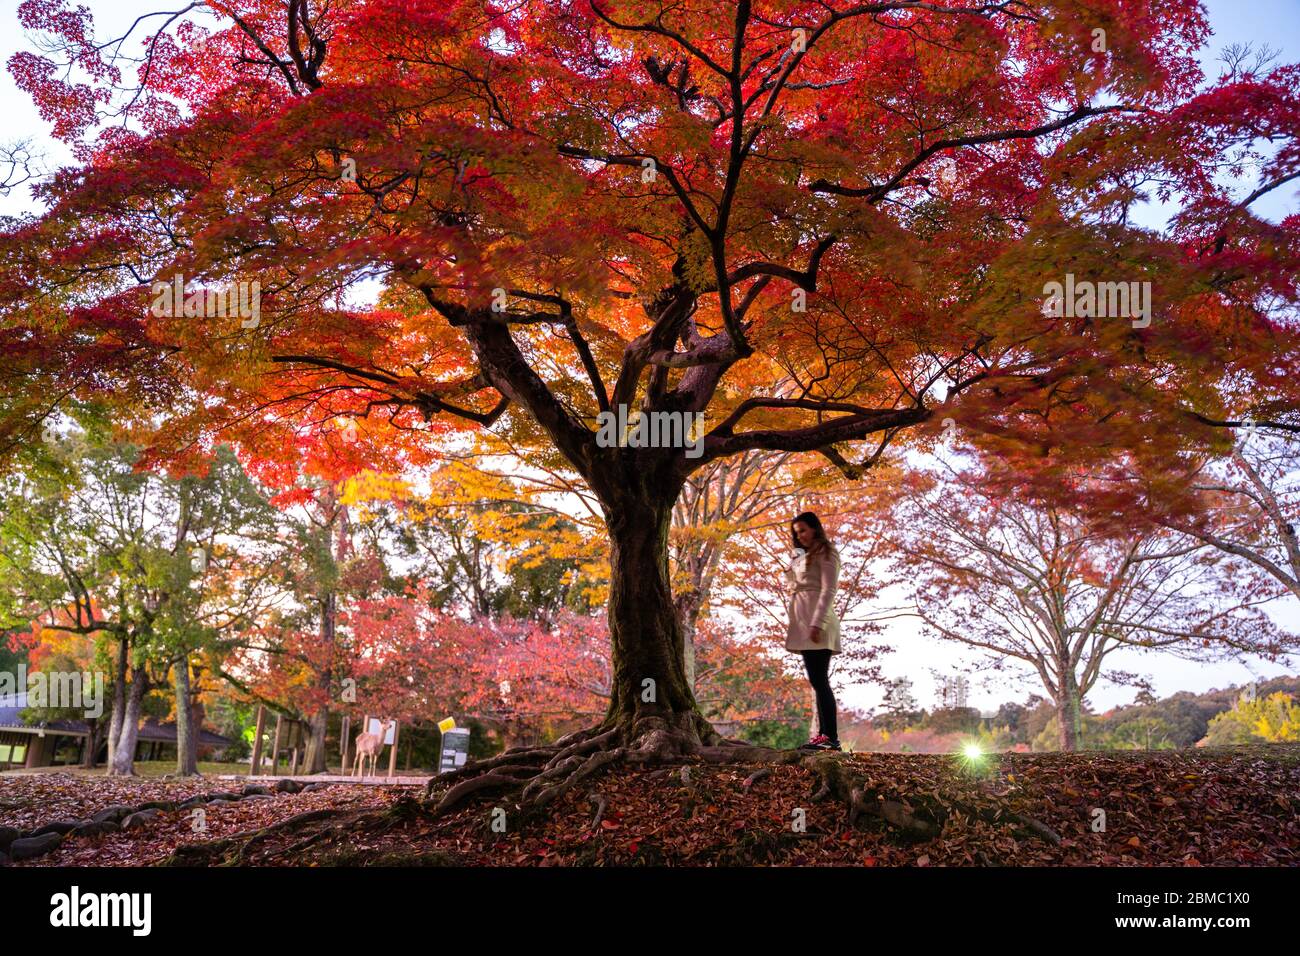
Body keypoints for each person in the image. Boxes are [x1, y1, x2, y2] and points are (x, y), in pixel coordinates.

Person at [785, 511, 842, 751]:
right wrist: (796, 559)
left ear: (815, 528)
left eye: (803, 530)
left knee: (820, 681)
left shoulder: (828, 553)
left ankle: (830, 738)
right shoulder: (804, 556)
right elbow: (792, 584)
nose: (800, 536)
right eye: (797, 533)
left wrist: (816, 622)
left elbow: (829, 590)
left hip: (819, 624)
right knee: (817, 681)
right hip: (804, 625)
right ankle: (823, 736)